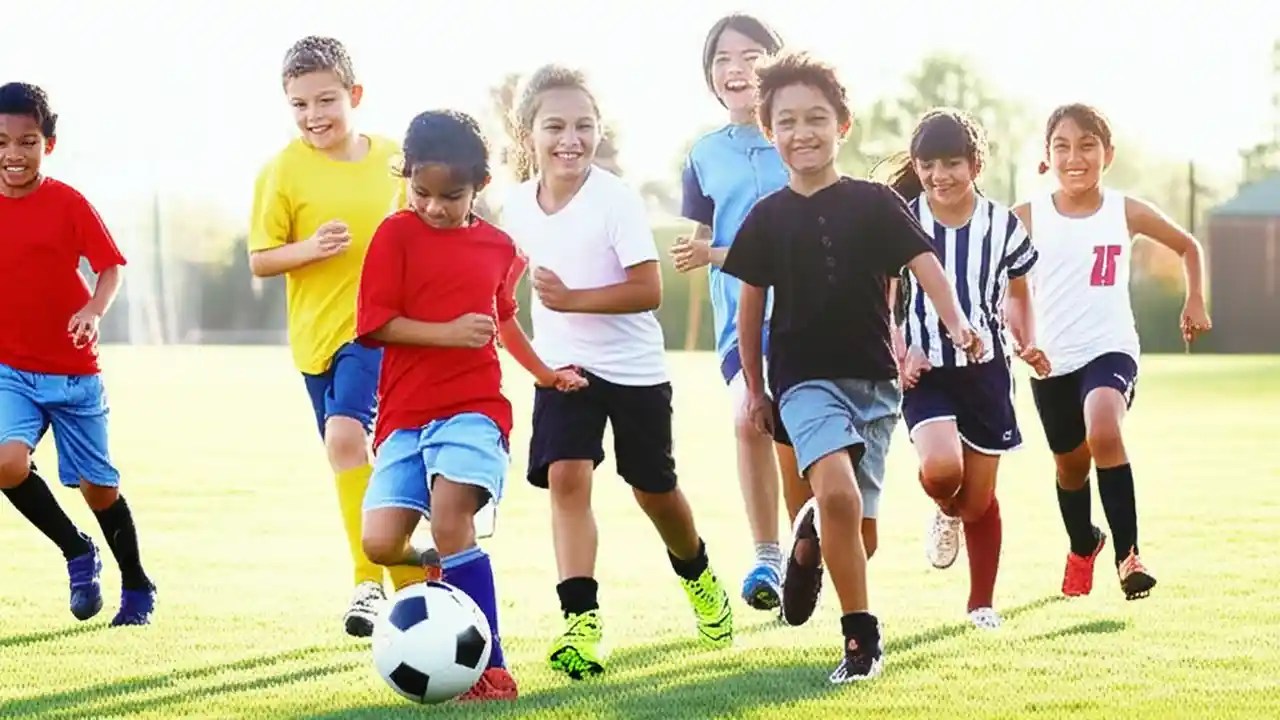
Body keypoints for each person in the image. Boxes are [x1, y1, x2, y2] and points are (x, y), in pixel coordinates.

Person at [722, 51, 984, 682]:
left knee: (856, 536)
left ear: (843, 125)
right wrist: (757, 391)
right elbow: (748, 316)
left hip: (874, 385)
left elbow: (926, 266)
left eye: (816, 117)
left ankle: (810, 532)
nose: (802, 132)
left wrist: (957, 324)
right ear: (770, 132)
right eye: (786, 121)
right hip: (802, 383)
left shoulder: (872, 203)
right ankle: (861, 643)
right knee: (836, 492)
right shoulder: (766, 218)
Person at [501, 64, 734, 680]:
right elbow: (501, 294)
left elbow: (648, 288)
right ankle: (582, 623)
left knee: (652, 489)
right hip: (565, 369)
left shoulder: (615, 200)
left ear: (599, 131)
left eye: (584, 125)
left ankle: (698, 572)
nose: (570, 139)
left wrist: (571, 298)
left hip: (633, 370)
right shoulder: (515, 208)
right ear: (528, 132)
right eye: (555, 126)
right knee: (567, 478)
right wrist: (528, 354)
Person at [355, 109, 581, 702]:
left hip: (474, 409)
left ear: (479, 185)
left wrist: (545, 374)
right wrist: (447, 331)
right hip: (404, 416)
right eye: (421, 191)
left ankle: (491, 668)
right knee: (379, 544)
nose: (433, 206)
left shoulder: (499, 247)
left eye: (450, 195)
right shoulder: (393, 235)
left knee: (452, 517)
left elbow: (503, 321)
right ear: (406, 178)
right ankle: (439, 566)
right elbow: (373, 324)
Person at [248, 36, 424, 637]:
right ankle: (412, 588)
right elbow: (262, 258)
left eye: (326, 100)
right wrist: (310, 248)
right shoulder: (281, 171)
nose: (314, 115)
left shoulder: (396, 160)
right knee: (351, 457)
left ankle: (366, 584)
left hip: (376, 330)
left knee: (346, 440)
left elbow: (425, 228)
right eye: (299, 105)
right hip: (313, 340)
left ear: (355, 95)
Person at [1015, 103, 1210, 601]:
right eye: (1062, 146)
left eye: (1087, 145)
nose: (1074, 157)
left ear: (1108, 153)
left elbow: (1188, 246)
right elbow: (992, 277)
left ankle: (1129, 557)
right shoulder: (1025, 217)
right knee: (1070, 467)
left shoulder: (1125, 210)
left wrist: (1194, 299)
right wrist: (1016, 336)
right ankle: (1085, 543)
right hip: (1051, 362)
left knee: (1104, 427)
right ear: (1046, 155)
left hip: (1110, 350)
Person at [885, 108, 1049, 630]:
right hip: (926, 370)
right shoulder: (903, 219)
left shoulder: (1004, 227)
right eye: (928, 164)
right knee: (941, 471)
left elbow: (1019, 295)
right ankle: (941, 506)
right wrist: (899, 349)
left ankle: (981, 604)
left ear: (975, 164)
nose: (940, 176)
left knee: (977, 502)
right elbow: (883, 301)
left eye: (952, 163)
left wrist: (1026, 341)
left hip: (986, 374)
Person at [0, 81, 156, 626]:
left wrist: (93, 309)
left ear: (49, 144)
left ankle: (136, 586)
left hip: (72, 372)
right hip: (10, 370)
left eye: (27, 142)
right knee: (5, 462)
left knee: (99, 487)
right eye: (1, 142)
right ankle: (75, 550)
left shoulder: (68, 203)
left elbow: (109, 266)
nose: (13, 154)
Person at [672, 12, 809, 614]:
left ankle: (810, 554)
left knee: (802, 442)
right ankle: (767, 558)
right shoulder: (703, 156)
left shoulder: (800, 139)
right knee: (746, 418)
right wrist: (698, 253)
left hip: (816, 317)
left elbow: (804, 238)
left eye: (751, 56)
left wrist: (715, 252)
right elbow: (698, 242)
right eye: (723, 59)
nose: (737, 70)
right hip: (743, 327)